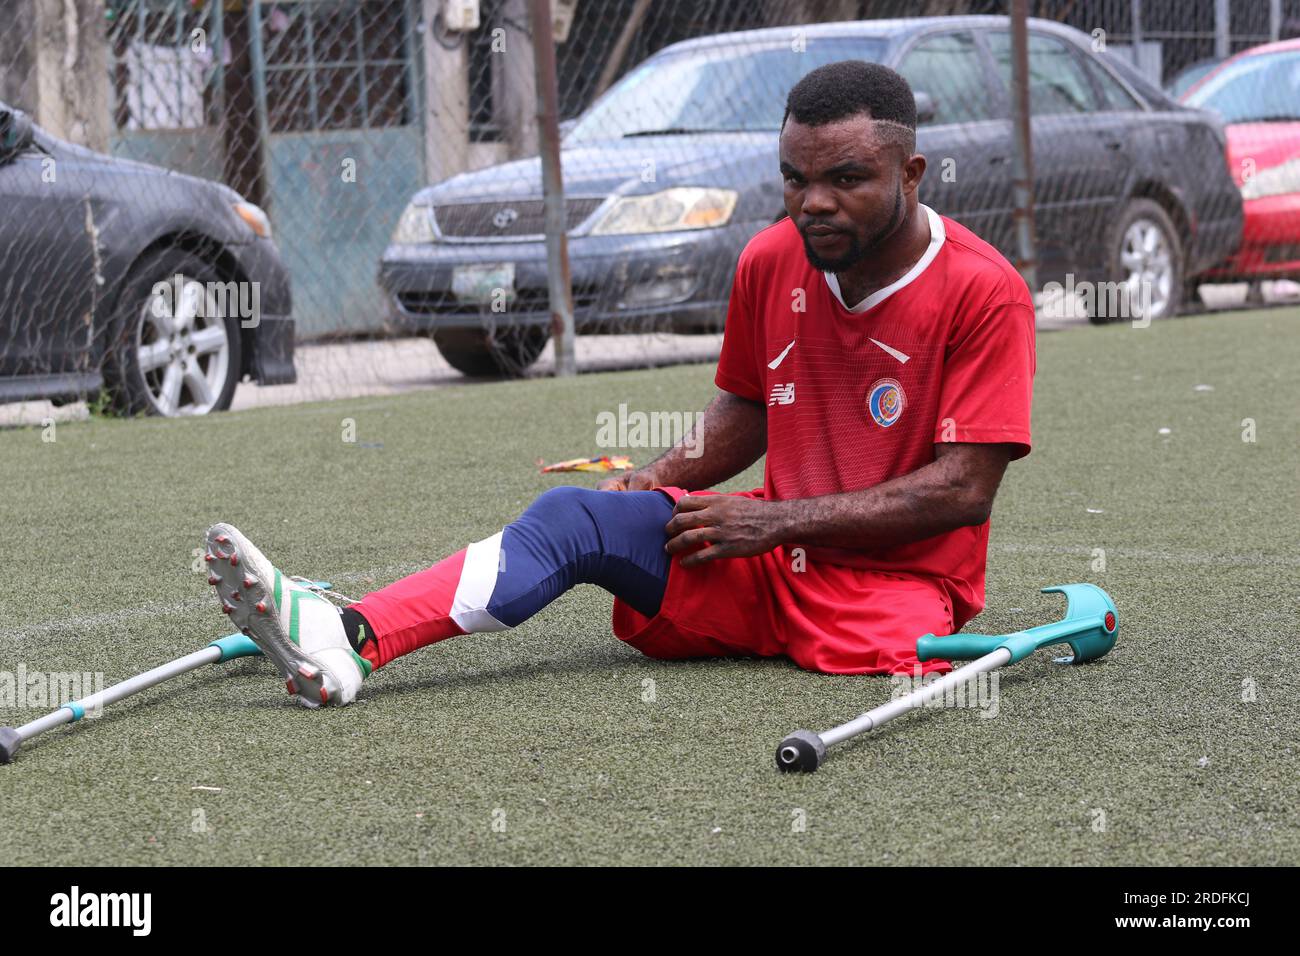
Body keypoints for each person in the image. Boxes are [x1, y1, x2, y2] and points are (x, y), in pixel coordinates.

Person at [203, 61, 1036, 708]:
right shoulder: (769, 258)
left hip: (894, 596)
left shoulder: (983, 289)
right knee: (579, 515)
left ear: (912, 172)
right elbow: (746, 411)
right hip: (770, 563)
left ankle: (334, 631)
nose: (812, 203)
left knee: (876, 621)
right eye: (793, 178)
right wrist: (657, 482)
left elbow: (963, 491)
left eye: (845, 179)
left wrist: (774, 521)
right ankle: (349, 638)